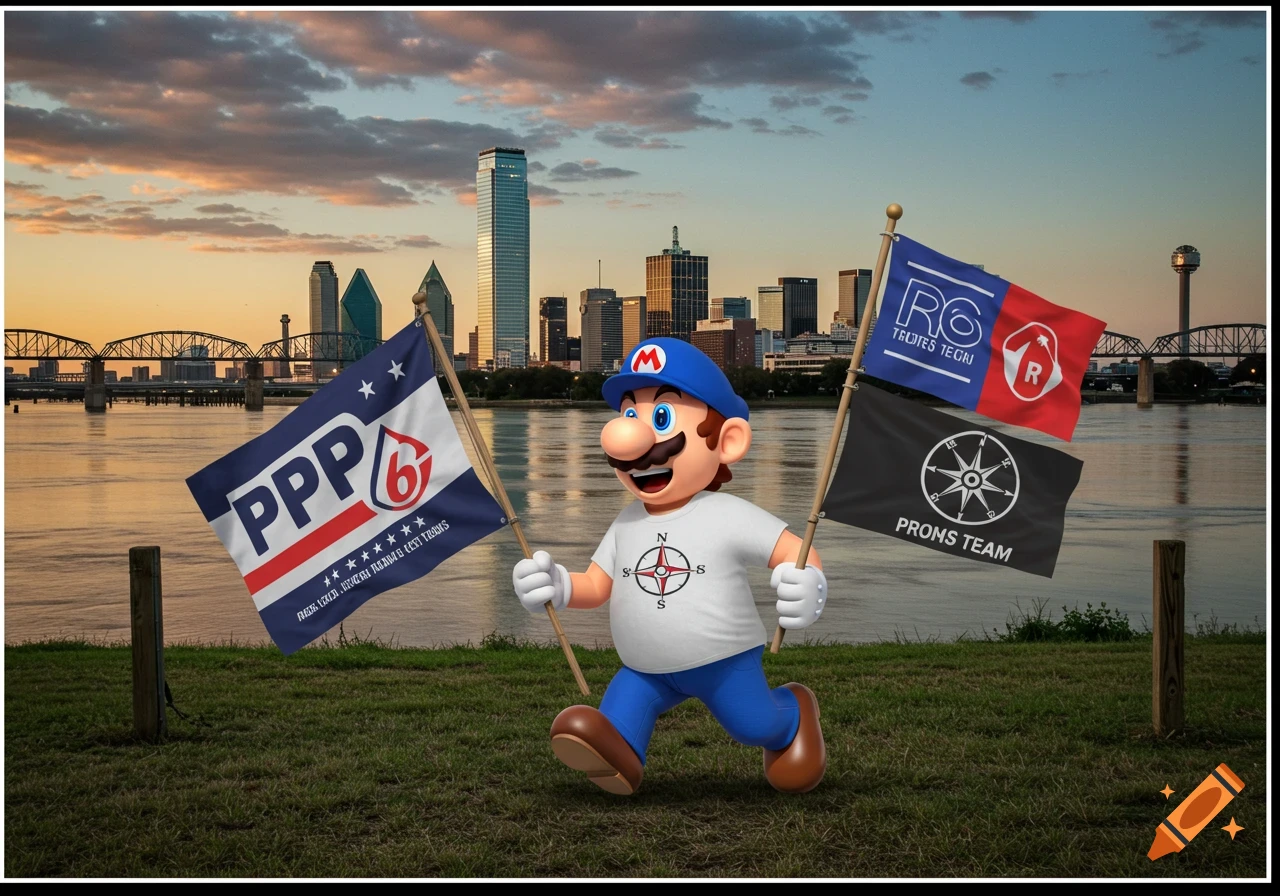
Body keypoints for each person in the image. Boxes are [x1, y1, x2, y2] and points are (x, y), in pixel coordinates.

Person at [512, 338, 828, 795]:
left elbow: (794, 550)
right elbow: (599, 584)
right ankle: (619, 752)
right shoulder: (625, 522)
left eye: (662, 417)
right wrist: (558, 585)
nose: (633, 440)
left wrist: (809, 584)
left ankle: (792, 716)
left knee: (751, 724)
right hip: (642, 667)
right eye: (629, 415)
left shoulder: (727, 515)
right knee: (622, 710)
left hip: (723, 661)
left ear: (727, 440)